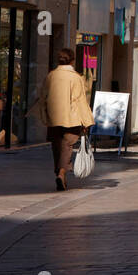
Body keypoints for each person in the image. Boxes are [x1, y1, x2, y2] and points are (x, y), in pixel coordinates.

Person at [38, 49, 93, 191]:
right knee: (67, 147)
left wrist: (44, 116)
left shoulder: (51, 76)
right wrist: (87, 121)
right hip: (72, 119)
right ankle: (62, 173)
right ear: (72, 61)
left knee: (56, 146)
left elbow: (43, 97)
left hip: (54, 117)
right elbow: (80, 100)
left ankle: (59, 173)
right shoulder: (76, 78)